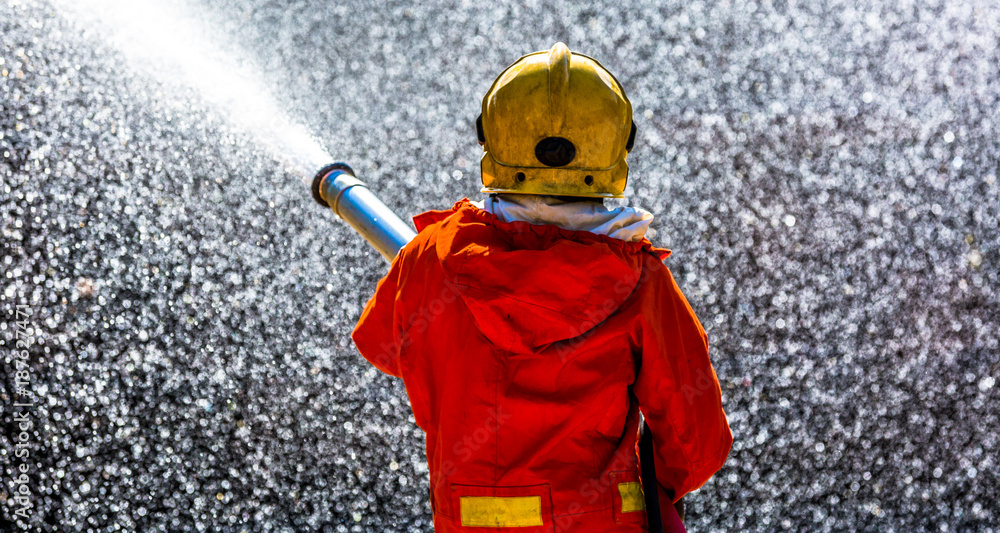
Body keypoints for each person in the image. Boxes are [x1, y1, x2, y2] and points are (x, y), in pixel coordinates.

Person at [352, 42, 732, 532]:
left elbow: (386, 348)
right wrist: (654, 493)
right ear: (619, 145)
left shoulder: (431, 259)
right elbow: (696, 440)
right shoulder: (641, 283)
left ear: (490, 135)